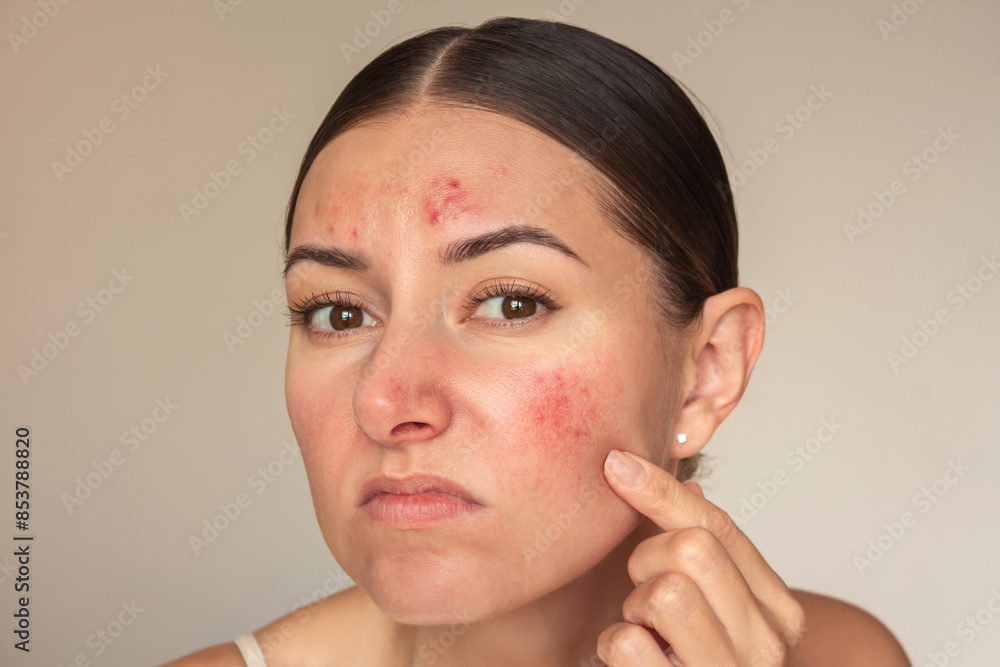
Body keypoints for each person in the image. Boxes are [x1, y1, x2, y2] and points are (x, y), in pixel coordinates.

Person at [163, 17, 911, 666]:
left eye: (512, 302)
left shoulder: (842, 656)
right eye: (338, 314)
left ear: (706, 369)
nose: (384, 400)